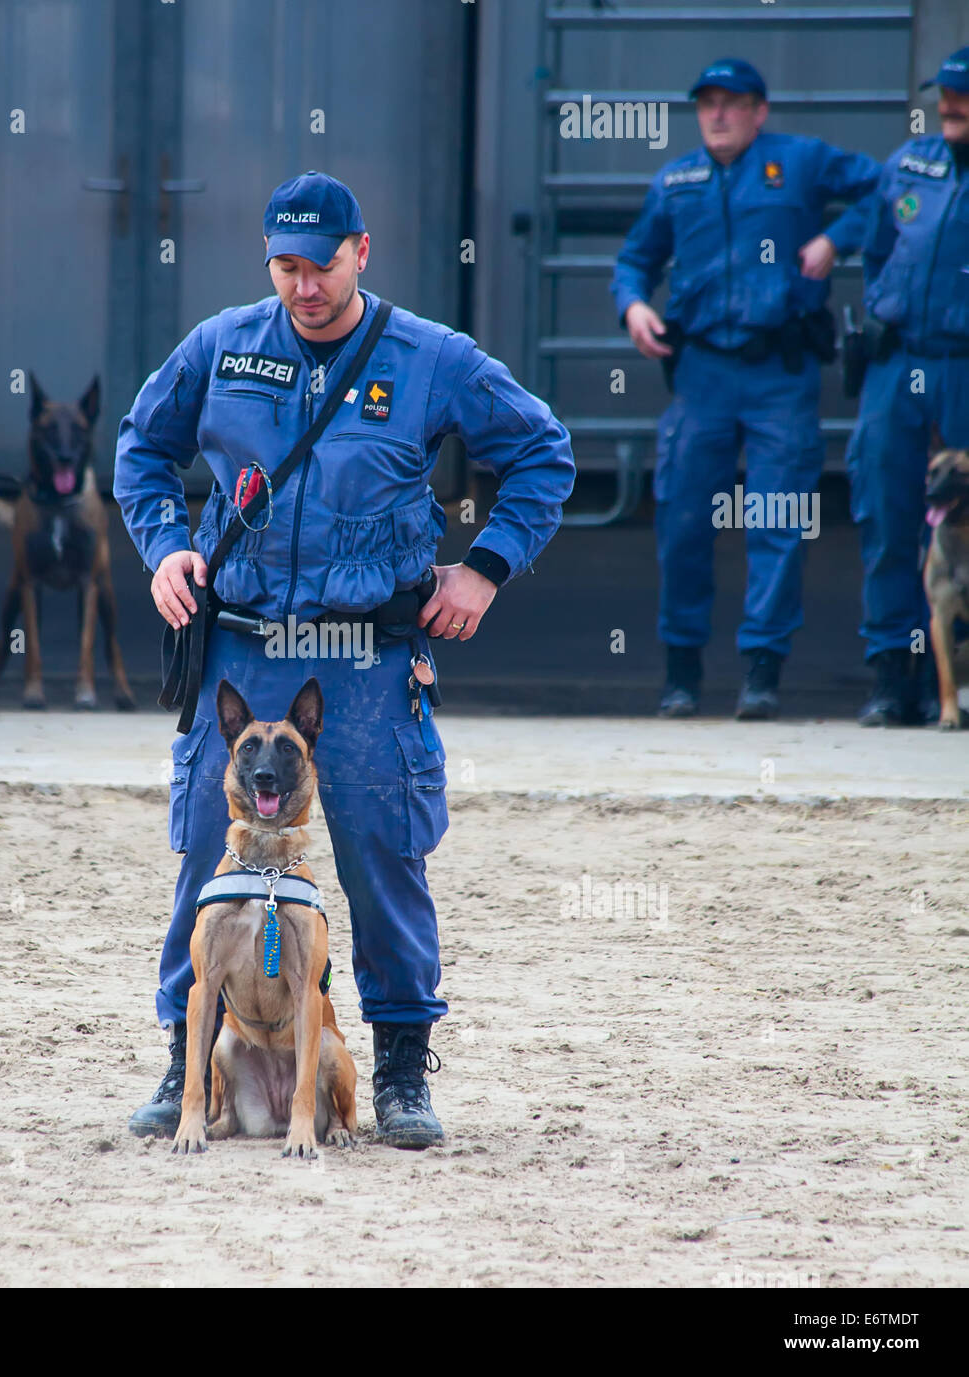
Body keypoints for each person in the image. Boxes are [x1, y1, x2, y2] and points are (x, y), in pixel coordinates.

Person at [114, 171, 575, 1148]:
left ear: (361, 252)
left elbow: (542, 450)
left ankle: (401, 1068)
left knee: (380, 852)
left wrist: (484, 570)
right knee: (208, 852)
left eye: (320, 266)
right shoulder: (223, 346)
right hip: (239, 644)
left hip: (363, 657)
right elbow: (141, 448)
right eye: (284, 266)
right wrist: (165, 550)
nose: (303, 287)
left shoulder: (428, 360)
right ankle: (182, 1061)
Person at [612, 58, 879, 719]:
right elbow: (634, 260)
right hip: (701, 374)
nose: (719, 114)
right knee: (680, 522)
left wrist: (835, 238)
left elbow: (886, 189)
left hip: (778, 372)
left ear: (761, 110)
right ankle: (681, 674)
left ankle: (762, 673)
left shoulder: (802, 160)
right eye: (708, 104)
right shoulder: (676, 181)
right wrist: (633, 307)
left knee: (777, 521)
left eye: (733, 103)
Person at [845, 46, 969, 726]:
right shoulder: (910, 163)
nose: (950, 103)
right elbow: (876, 251)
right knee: (889, 513)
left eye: (963, 94)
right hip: (900, 363)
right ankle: (895, 677)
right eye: (945, 93)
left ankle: (959, 684)